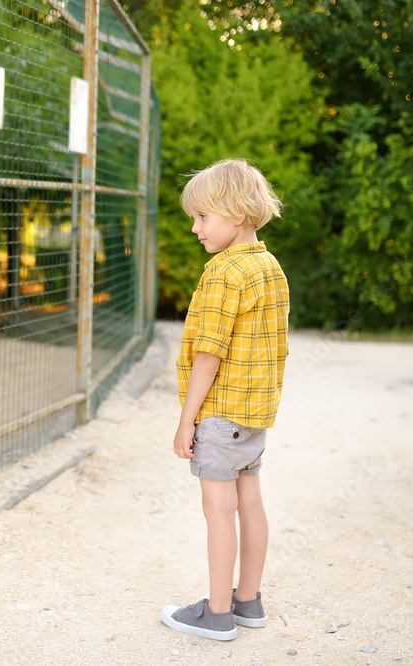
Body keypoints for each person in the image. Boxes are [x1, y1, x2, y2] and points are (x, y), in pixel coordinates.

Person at [160, 158, 290, 641]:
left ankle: (215, 614)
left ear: (236, 212)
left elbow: (208, 354)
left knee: (219, 511)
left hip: (219, 416)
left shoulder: (223, 272)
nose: (195, 228)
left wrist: (185, 421)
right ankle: (248, 602)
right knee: (250, 505)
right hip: (255, 417)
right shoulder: (270, 267)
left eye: (202, 217)